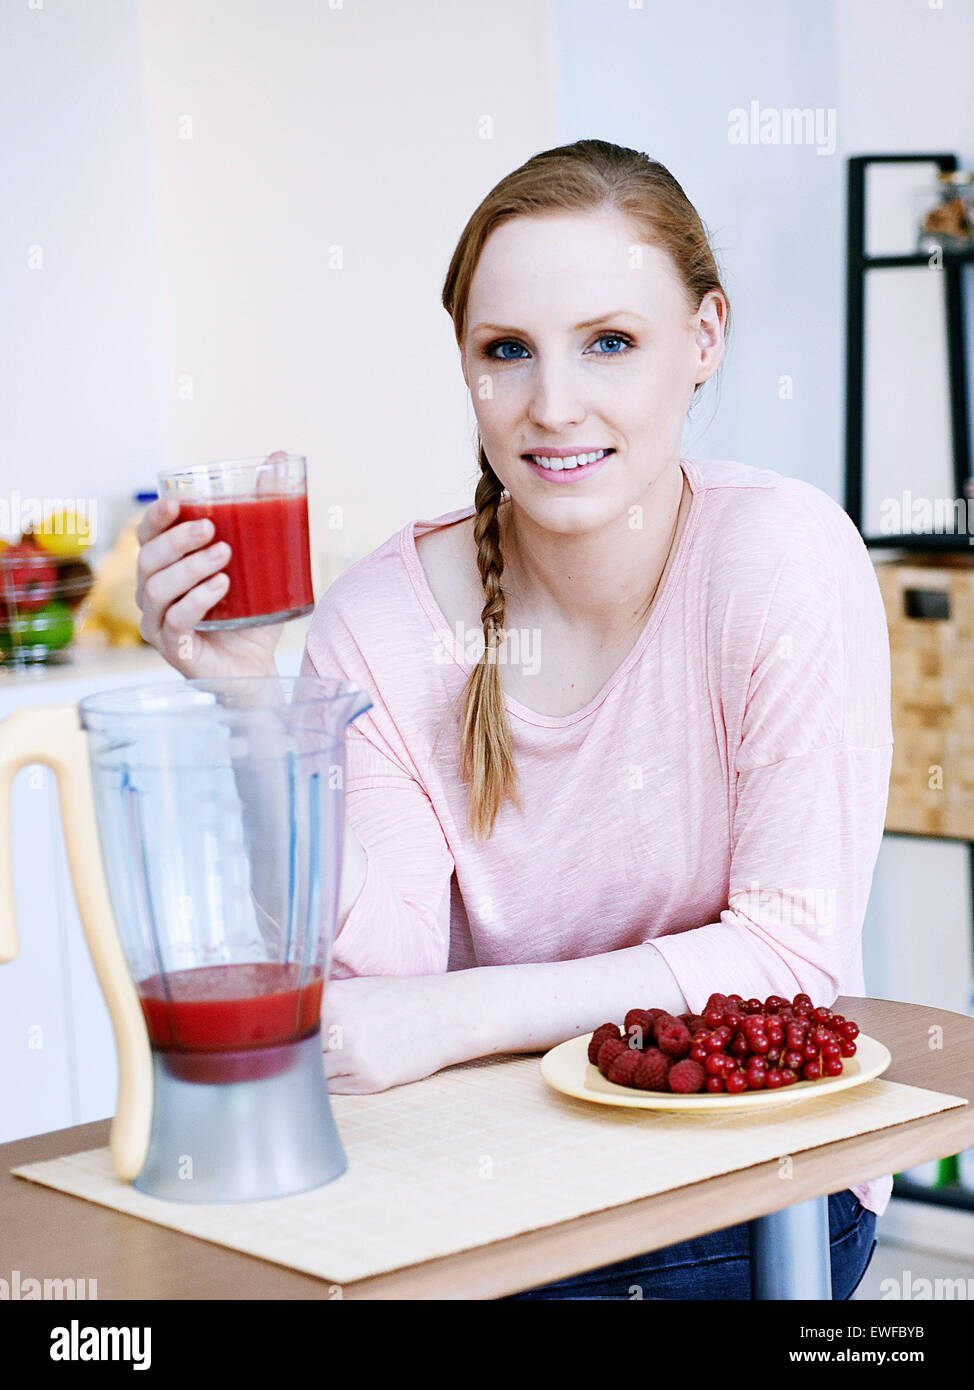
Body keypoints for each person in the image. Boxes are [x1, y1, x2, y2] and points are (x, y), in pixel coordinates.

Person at [136, 138, 890, 1299]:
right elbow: (360, 976)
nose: (551, 405)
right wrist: (250, 696)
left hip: (737, 1172)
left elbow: (786, 954)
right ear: (466, 366)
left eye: (608, 343)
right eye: (506, 352)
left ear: (703, 341)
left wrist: (444, 1018)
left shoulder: (777, 557)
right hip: (481, 1166)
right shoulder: (379, 619)